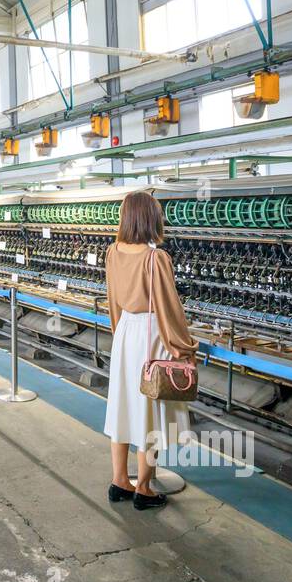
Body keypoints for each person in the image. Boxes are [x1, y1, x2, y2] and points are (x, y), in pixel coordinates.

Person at [104, 191, 197, 511]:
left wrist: (119, 333)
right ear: (151, 218)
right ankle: (143, 487)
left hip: (126, 332)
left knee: (122, 409)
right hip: (151, 336)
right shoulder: (156, 258)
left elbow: (112, 298)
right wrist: (185, 347)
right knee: (148, 414)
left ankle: (120, 480)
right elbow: (169, 308)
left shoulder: (113, 251)